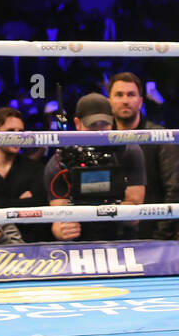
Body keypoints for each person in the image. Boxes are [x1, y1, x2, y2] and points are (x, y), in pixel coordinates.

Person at [43, 93, 145, 242]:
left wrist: (97, 208)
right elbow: (59, 220)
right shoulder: (61, 160)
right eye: (92, 125)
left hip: (122, 239)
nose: (99, 131)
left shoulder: (128, 150)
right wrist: (63, 229)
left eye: (104, 124)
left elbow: (133, 215)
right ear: (77, 123)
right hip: (80, 244)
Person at [108, 72, 179, 240]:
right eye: (119, 95)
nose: (125, 100)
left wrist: (159, 238)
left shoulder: (159, 137)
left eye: (131, 94)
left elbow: (175, 191)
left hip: (151, 235)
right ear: (110, 101)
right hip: (109, 238)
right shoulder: (102, 139)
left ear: (140, 101)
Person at [0, 106, 49, 242]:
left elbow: (37, 206)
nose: (17, 136)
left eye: (21, 132)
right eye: (11, 131)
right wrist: (20, 202)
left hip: (30, 245)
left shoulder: (35, 169)